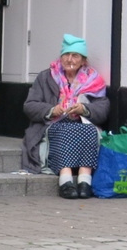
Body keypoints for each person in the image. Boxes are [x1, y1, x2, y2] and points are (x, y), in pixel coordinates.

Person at [21, 34, 109, 196]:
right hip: (51, 125)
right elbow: (30, 105)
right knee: (64, 131)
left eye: (75, 55)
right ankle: (66, 180)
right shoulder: (45, 77)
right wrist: (51, 110)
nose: (69, 59)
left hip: (82, 124)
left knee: (89, 131)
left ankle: (84, 181)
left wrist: (84, 109)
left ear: (83, 60)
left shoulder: (93, 80)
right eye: (66, 55)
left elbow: (103, 109)